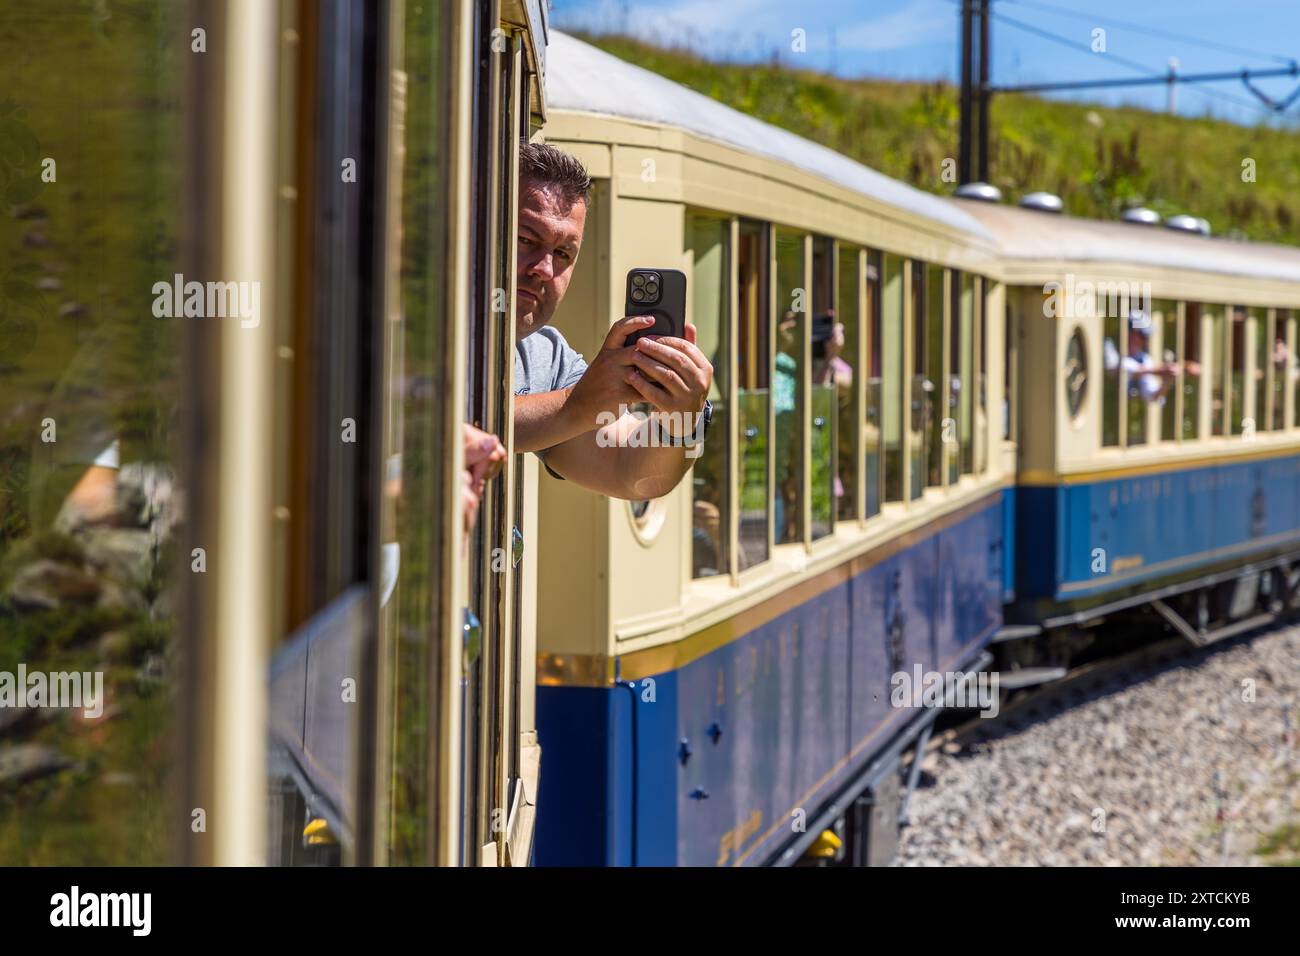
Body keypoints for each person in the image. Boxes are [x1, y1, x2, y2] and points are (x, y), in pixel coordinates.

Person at [511, 144, 713, 501]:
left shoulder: (545, 355)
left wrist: (681, 420)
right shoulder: (418, 329)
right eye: (526, 239)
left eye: (562, 253)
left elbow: (631, 475)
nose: (543, 269)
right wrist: (576, 407)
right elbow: (450, 427)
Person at [1103, 312, 1178, 403]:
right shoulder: (1109, 345)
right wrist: (1156, 370)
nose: (1145, 341)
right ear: (1131, 332)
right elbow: (1114, 368)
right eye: (1143, 335)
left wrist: (1167, 382)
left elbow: (1152, 396)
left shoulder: (1143, 358)